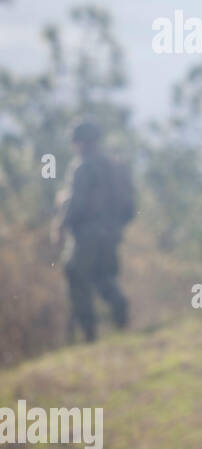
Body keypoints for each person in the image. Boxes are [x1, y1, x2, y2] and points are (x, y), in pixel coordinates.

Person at [54, 119, 133, 342]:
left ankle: (89, 333)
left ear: (82, 142)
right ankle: (121, 315)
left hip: (87, 235)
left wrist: (61, 225)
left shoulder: (83, 166)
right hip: (111, 233)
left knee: (76, 274)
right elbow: (128, 206)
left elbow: (76, 202)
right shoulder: (114, 166)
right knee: (103, 276)